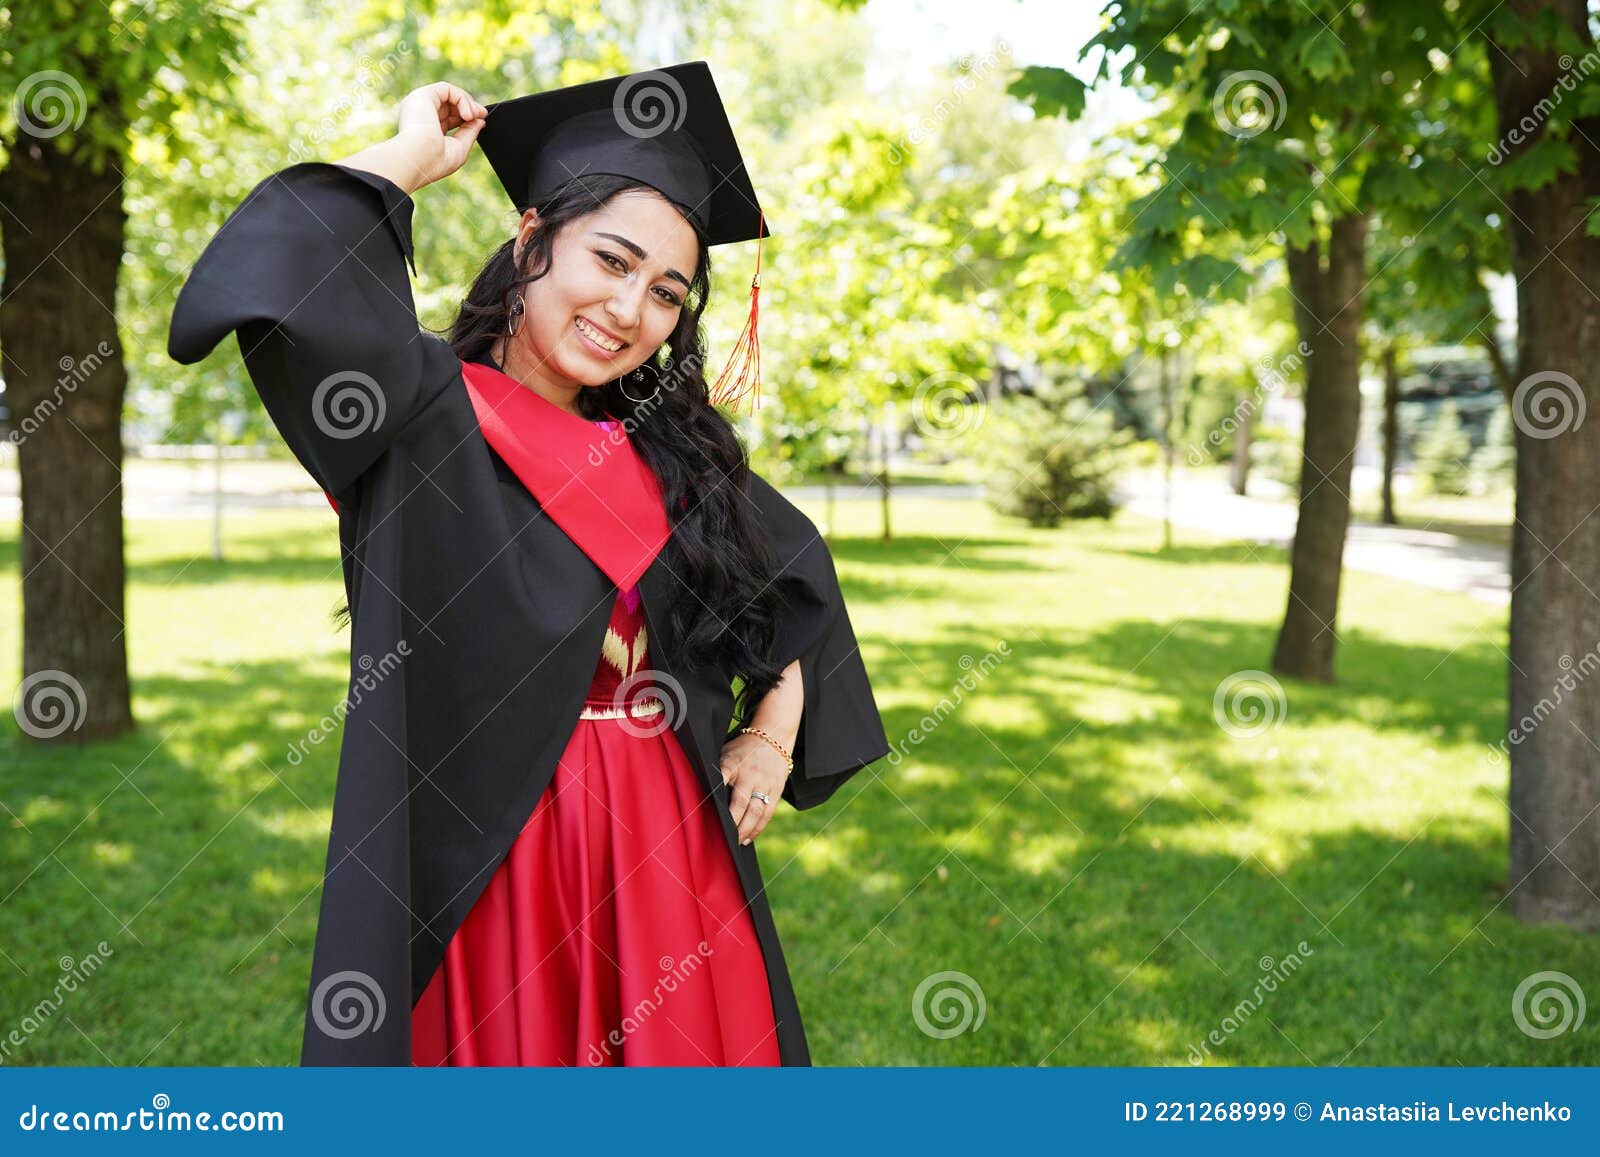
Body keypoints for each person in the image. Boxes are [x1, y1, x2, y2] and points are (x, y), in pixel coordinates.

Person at [166, 61, 890, 1066]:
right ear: (531, 237)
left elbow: (791, 581)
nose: (630, 308)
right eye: (611, 258)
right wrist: (412, 159)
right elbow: (290, 277)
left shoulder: (664, 451)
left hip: (669, 852)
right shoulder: (418, 418)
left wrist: (772, 727)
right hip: (491, 855)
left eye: (666, 293)